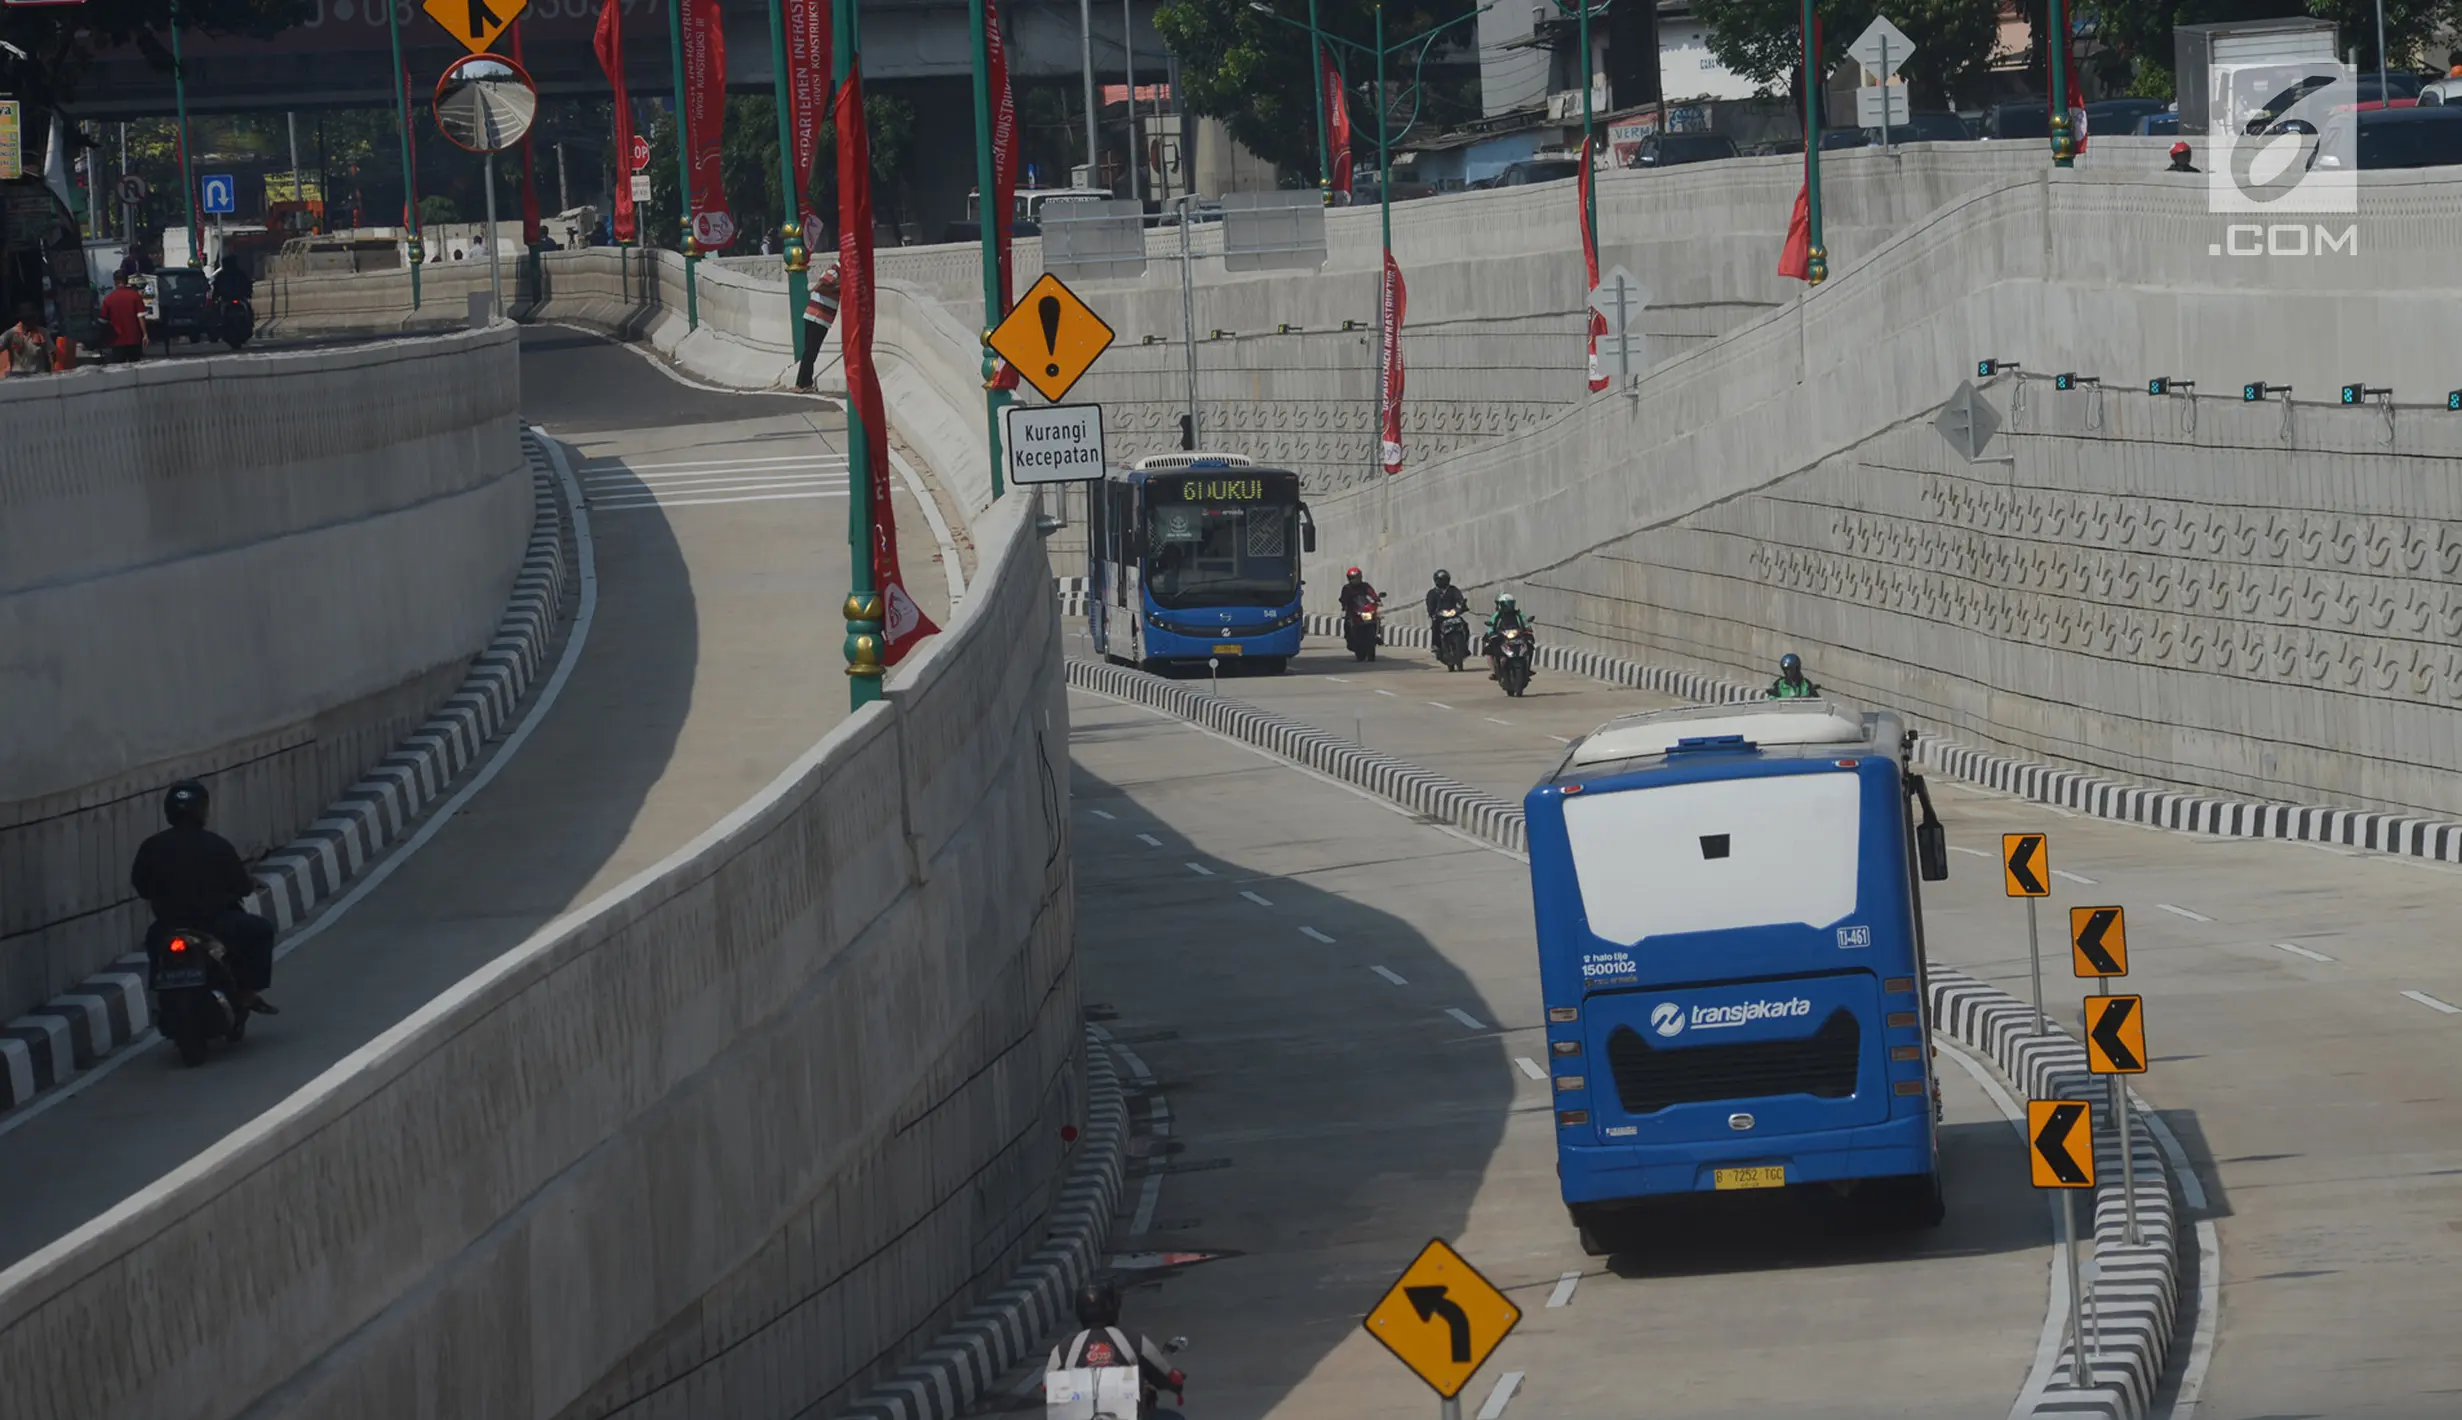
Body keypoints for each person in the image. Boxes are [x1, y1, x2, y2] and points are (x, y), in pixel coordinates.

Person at [129, 781, 280, 1014]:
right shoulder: (216, 845)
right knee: (261, 931)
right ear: (202, 810)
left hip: (169, 926)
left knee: (154, 944)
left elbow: (141, 886)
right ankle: (247, 993)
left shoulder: (152, 846)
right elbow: (241, 886)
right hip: (215, 924)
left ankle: (158, 997)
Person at [1045, 1281, 1183, 1415]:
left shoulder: (1063, 1349)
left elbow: (1047, 1386)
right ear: (1112, 1308)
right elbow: (1168, 1376)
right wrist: (1176, 1383)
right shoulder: (1134, 1340)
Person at [793, 264, 842, 392]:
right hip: (818, 316)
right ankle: (802, 384)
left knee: (809, 351)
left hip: (815, 315)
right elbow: (819, 287)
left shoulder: (835, 271)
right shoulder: (835, 271)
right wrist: (839, 288)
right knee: (811, 351)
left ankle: (804, 383)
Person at [100, 271, 149, 363]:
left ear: (115, 282)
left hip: (116, 340)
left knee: (119, 369)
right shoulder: (135, 296)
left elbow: (103, 320)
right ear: (127, 281)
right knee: (135, 366)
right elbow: (141, 317)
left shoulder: (109, 298)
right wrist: (145, 335)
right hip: (134, 339)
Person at [1484, 591, 1535, 678]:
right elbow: (1492, 625)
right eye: (1506, 604)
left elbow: (1525, 622)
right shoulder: (1498, 615)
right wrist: (1491, 632)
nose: (1508, 606)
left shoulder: (1518, 614)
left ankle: (1527, 669)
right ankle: (1495, 672)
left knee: (1529, 647)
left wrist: (1528, 628)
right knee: (1489, 650)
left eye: (1510, 604)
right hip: (1502, 637)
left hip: (1517, 636)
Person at [2, 306, 54, 377]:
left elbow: (51, 353)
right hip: (18, 376)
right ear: (22, 319)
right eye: (28, 317)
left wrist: (51, 372)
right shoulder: (11, 333)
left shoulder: (42, 332)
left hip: (39, 375)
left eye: (33, 317)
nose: (32, 320)